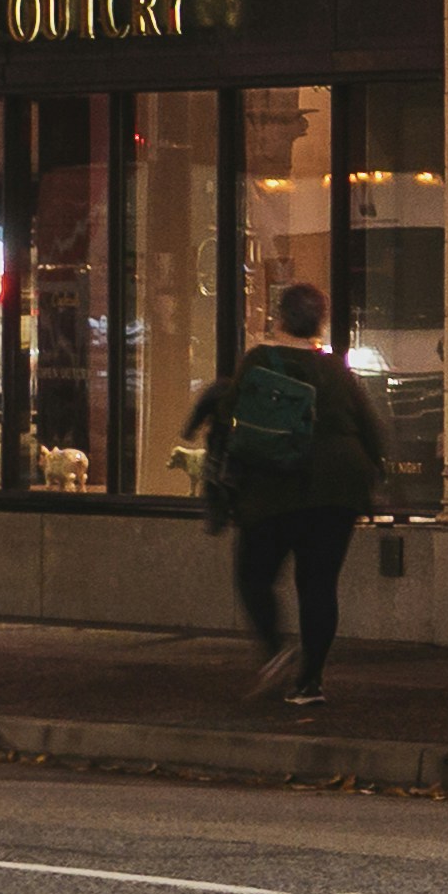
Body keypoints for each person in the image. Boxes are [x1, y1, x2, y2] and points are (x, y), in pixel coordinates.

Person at [187, 282, 384, 706]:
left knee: (253, 575)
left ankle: (276, 651)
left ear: (278, 318)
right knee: (319, 585)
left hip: (271, 490)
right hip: (337, 490)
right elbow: (371, 432)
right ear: (321, 323)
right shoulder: (336, 370)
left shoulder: (260, 361)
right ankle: (310, 683)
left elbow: (226, 416)